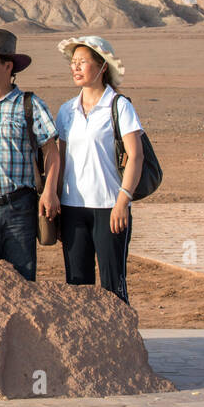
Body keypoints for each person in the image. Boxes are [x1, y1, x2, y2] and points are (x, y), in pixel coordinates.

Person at [0, 29, 60, 280]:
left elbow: (51, 151)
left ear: (8, 66)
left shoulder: (30, 104)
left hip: (19, 207)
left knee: (21, 281)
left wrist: (49, 191)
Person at [54, 35, 143, 304]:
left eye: (83, 62)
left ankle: (121, 344)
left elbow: (136, 156)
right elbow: (60, 160)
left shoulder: (118, 106)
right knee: (77, 287)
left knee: (113, 285)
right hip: (72, 209)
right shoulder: (66, 110)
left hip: (109, 208)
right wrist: (56, 203)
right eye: (73, 62)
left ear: (102, 67)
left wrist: (122, 201)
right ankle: (84, 345)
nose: (76, 67)